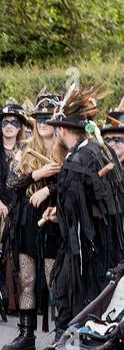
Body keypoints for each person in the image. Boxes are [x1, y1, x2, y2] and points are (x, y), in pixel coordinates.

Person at [45, 85, 124, 336]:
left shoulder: (78, 158)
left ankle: (67, 342)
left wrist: (59, 213)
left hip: (84, 240)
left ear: (62, 129)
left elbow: (77, 202)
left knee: (68, 286)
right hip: (99, 238)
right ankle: (78, 341)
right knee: (89, 289)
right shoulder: (97, 150)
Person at [0, 100, 59, 350]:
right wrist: (37, 175)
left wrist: (50, 189)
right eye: (39, 118)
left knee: (54, 281)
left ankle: (61, 337)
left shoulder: (65, 148)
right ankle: (26, 334)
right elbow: (11, 182)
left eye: (48, 118)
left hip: (54, 219)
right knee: (27, 279)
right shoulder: (25, 148)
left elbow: (72, 183)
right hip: (27, 219)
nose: (43, 123)